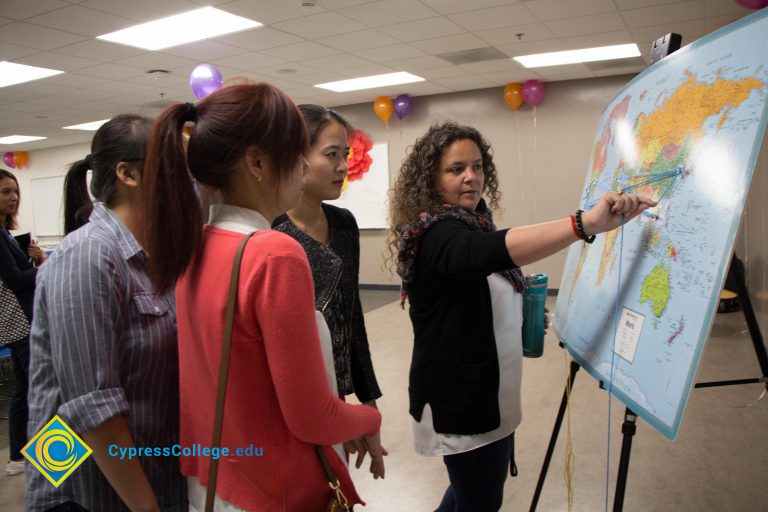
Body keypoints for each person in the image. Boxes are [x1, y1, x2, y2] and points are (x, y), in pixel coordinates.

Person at [386, 121, 656, 512]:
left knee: (470, 495)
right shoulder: (434, 235)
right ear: (431, 179)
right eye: (456, 169)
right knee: (479, 501)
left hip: (491, 394)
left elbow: (478, 292)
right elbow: (481, 253)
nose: (471, 177)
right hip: (461, 402)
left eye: (477, 166)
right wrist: (585, 224)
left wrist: (518, 314)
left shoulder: (475, 222)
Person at [141, 83, 382, 511]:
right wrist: (370, 417)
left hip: (217, 483)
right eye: (295, 155)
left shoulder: (196, 244)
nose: (303, 168)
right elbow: (313, 417)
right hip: (276, 488)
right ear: (256, 163)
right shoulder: (273, 253)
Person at [26, 114, 187, 512]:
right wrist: (146, 506)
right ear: (128, 175)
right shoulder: (87, 254)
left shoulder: (151, 255)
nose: (188, 181)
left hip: (146, 473)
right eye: (174, 167)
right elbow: (93, 407)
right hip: (87, 491)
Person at [272, 104, 386, 479]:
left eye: (345, 155)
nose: (343, 167)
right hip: (289, 408)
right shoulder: (270, 232)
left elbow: (352, 318)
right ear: (296, 157)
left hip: (335, 400)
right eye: (332, 154)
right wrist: (327, 413)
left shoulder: (344, 224)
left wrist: (367, 406)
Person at [0, 169, 45, 476]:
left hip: (18, 324)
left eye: (15, 191)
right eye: (6, 192)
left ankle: (18, 457)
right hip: (21, 324)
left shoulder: (6, 233)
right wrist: (45, 268)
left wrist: (33, 259)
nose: (13, 197)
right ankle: (51, 462)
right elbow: (15, 281)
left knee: (24, 391)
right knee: (39, 391)